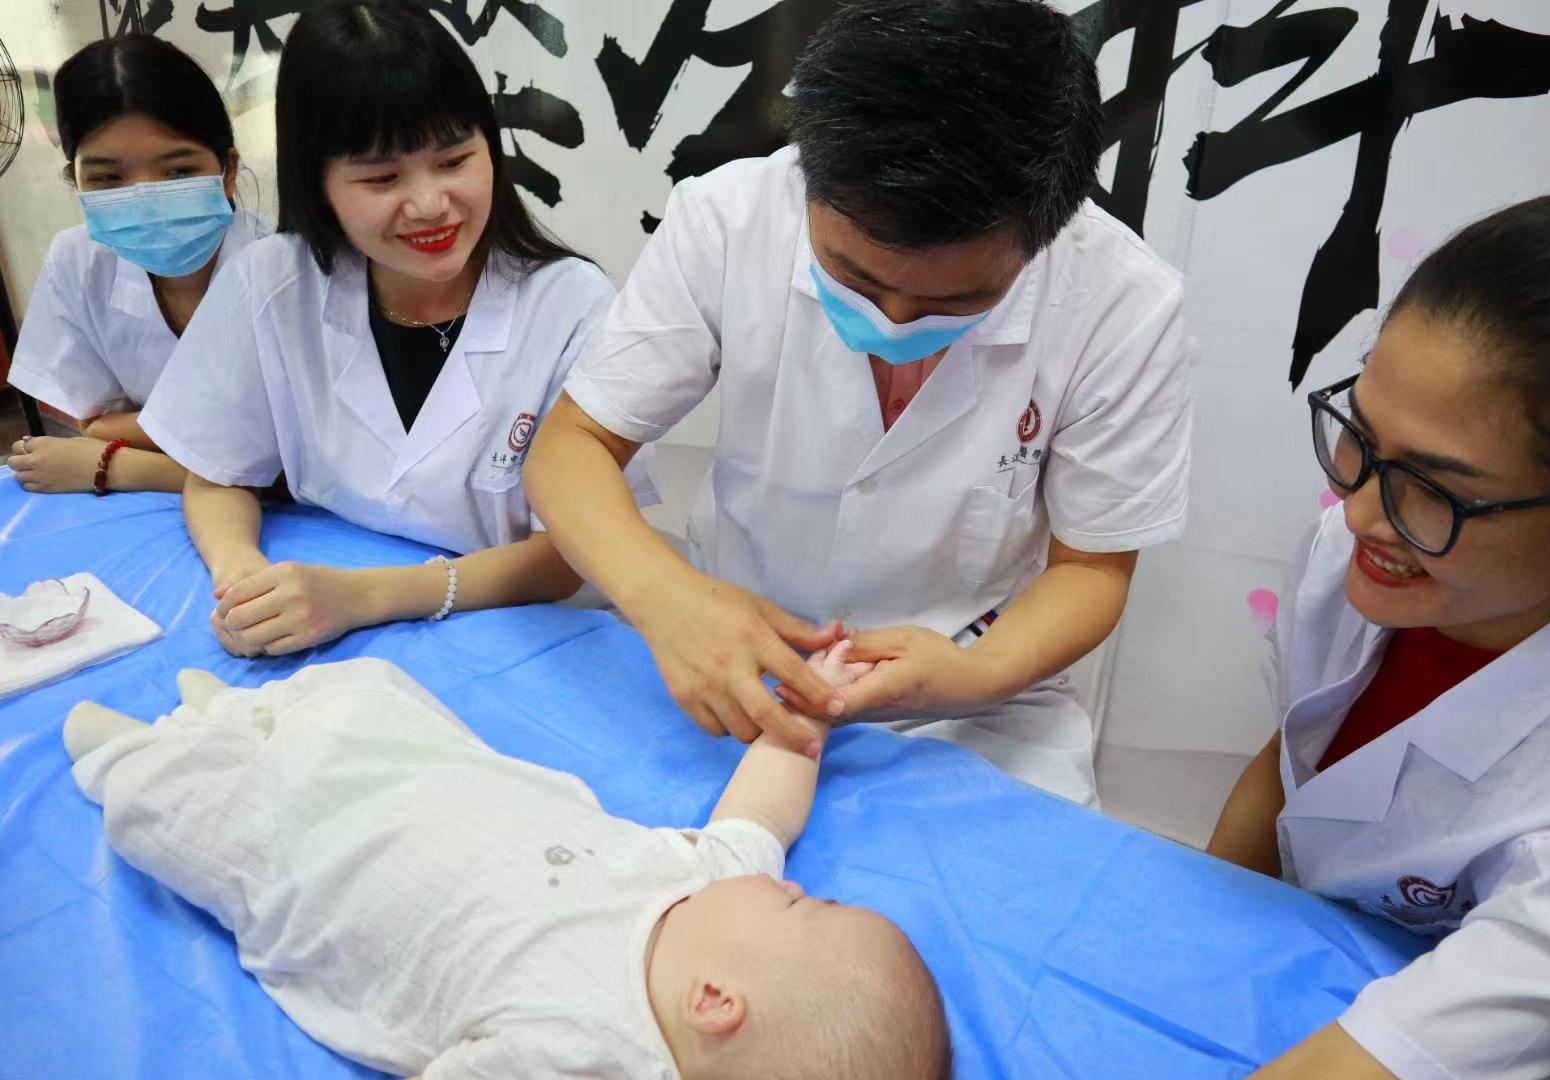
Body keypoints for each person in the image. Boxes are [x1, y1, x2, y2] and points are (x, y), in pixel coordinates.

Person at [526, 0, 1191, 805]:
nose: (896, 322)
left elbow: (1091, 568)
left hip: (974, 700)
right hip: (726, 646)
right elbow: (573, 447)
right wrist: (666, 599)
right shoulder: (729, 220)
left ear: (1045, 231)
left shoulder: (1122, 302)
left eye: (955, 302)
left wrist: (975, 673)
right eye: (856, 278)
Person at [63, 652, 951, 1079]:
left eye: (802, 907)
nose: (792, 883)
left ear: (714, 1001)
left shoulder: (579, 1051)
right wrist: (809, 717)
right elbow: (763, 809)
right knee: (369, 701)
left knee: (199, 820)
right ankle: (244, 713)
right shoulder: (713, 884)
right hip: (426, 777)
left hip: (323, 861)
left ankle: (129, 754)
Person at [1207, 192, 1550, 1078]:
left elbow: (1392, 1057)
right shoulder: (1363, 559)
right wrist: (1187, 945)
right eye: (1360, 435)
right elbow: (1293, 766)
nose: (1358, 513)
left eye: (1436, 489)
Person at [138, 0, 648, 659]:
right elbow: (218, 474)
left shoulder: (571, 304)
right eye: (381, 177)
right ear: (318, 182)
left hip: (524, 635)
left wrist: (364, 598)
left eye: (454, 160)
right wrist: (242, 576)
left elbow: (571, 552)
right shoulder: (273, 282)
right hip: (326, 623)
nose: (431, 204)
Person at [5, 35, 266, 495]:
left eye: (178, 172)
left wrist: (117, 464)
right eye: (108, 177)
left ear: (227, 171)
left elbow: (294, 452)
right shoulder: (77, 263)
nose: (146, 198)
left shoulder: (291, 263)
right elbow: (93, 424)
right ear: (76, 183)